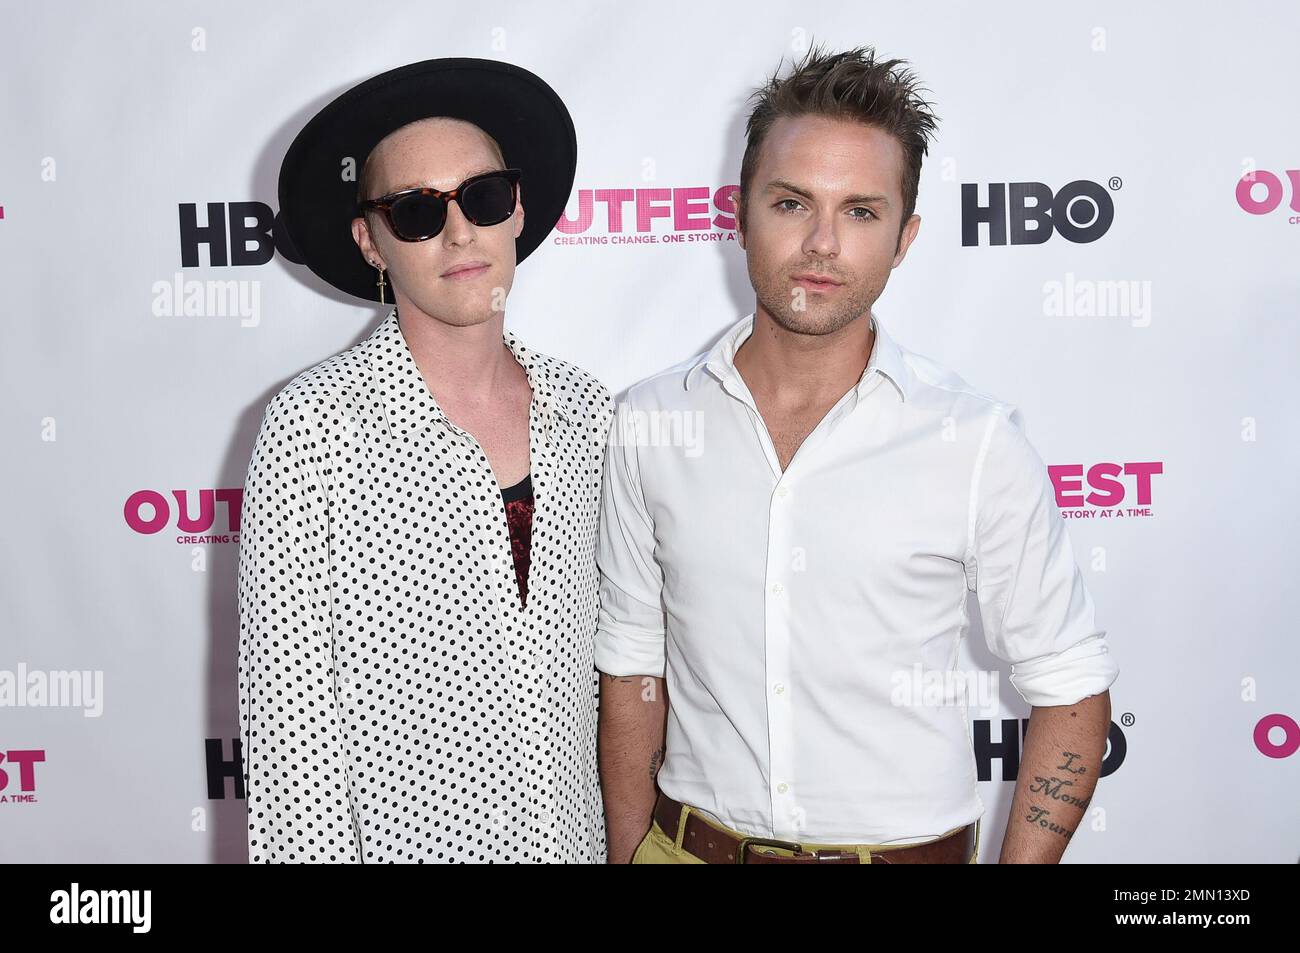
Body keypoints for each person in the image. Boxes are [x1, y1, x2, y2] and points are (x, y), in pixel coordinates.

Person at [595, 44, 1118, 864]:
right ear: (739, 212)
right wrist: (633, 853)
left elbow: (1071, 688)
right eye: (793, 202)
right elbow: (631, 663)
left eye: (862, 212)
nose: (823, 244)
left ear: (906, 237)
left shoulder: (975, 441)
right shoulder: (651, 421)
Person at [238, 57, 612, 863]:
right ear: (369, 242)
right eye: (414, 211)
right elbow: (291, 740)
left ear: (516, 209)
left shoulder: (589, 414)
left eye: (481, 196)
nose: (458, 231)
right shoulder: (311, 432)